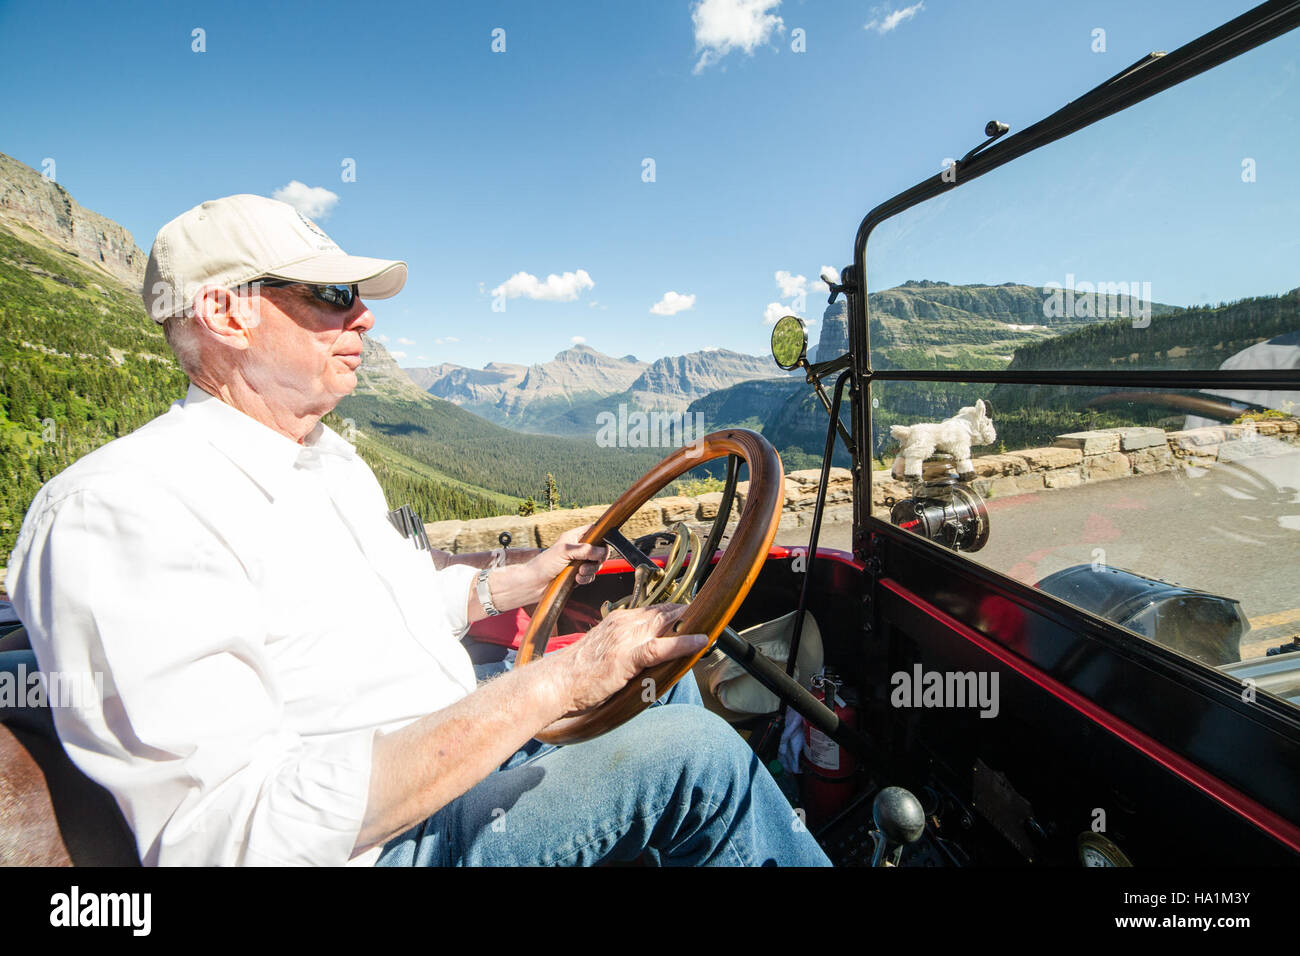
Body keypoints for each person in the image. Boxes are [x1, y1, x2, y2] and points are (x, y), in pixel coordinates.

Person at [5, 194, 829, 867]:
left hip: (449, 739)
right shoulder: (123, 510)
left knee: (667, 681)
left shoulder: (327, 462)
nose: (364, 317)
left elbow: (380, 612)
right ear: (225, 313)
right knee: (695, 758)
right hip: (390, 840)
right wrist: (552, 685)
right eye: (330, 295)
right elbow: (229, 837)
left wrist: (513, 582)